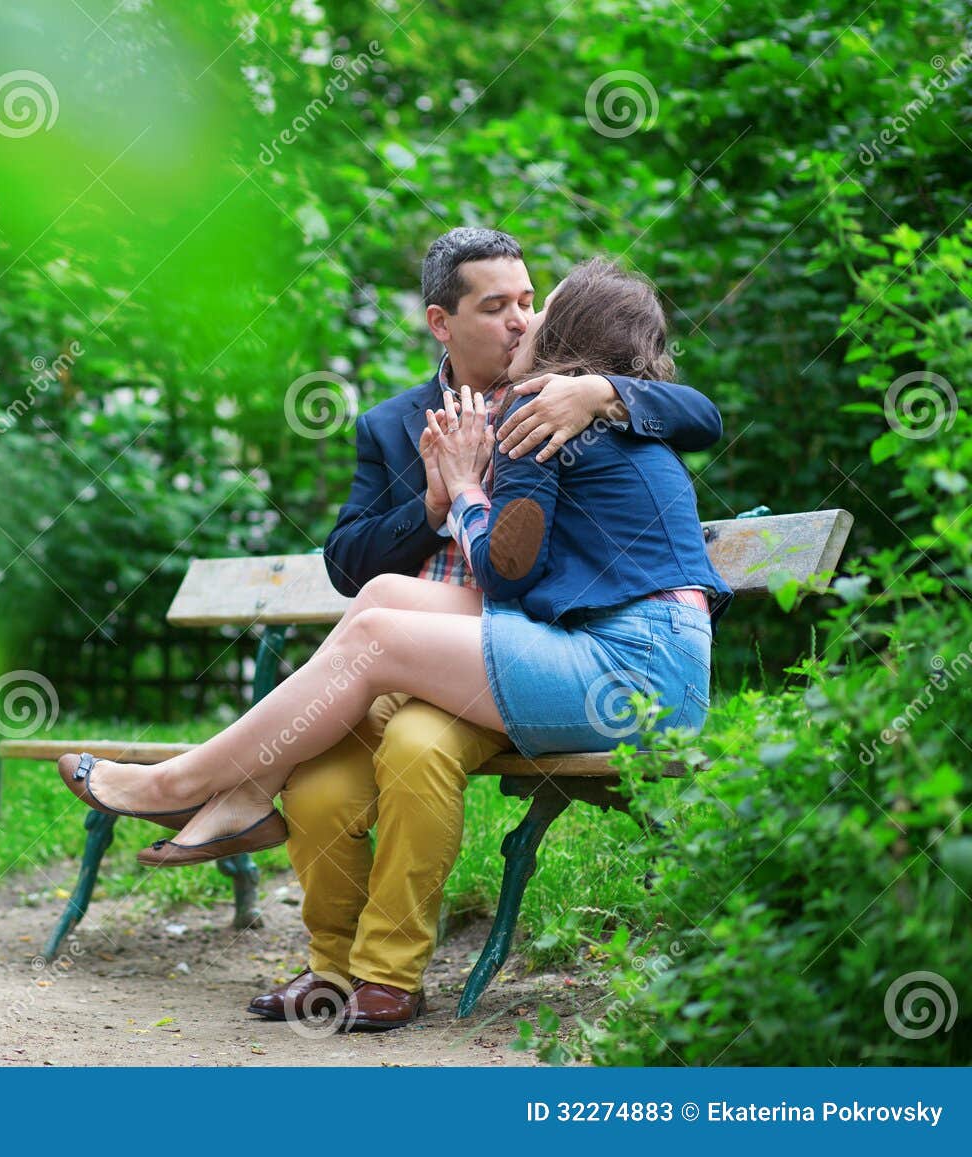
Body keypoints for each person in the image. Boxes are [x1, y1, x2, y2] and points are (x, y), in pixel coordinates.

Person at [62, 234, 728, 1030]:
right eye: (501, 307)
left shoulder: (549, 409)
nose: (520, 323)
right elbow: (353, 562)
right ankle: (310, 929)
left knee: (397, 700)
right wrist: (436, 504)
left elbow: (520, 566)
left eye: (533, 306)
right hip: (559, 643)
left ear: (568, 346)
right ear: (441, 322)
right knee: (370, 628)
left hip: (586, 658)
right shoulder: (402, 422)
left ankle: (185, 787)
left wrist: (548, 429)